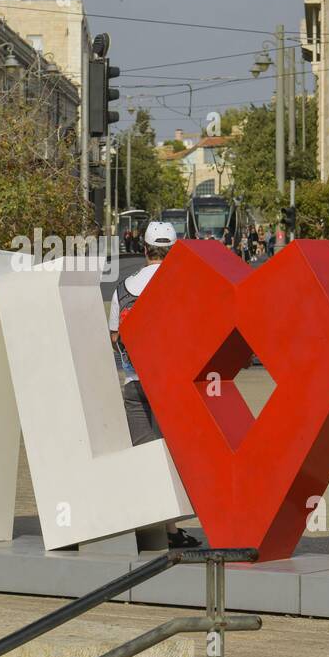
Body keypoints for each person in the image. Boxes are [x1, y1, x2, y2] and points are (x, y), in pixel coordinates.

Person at [109, 220, 201, 549]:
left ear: (145, 249)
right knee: (172, 459)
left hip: (135, 386)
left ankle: (154, 531)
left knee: (147, 460)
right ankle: (170, 530)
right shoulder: (184, 286)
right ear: (172, 252)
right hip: (172, 387)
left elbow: (115, 338)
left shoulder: (123, 288)